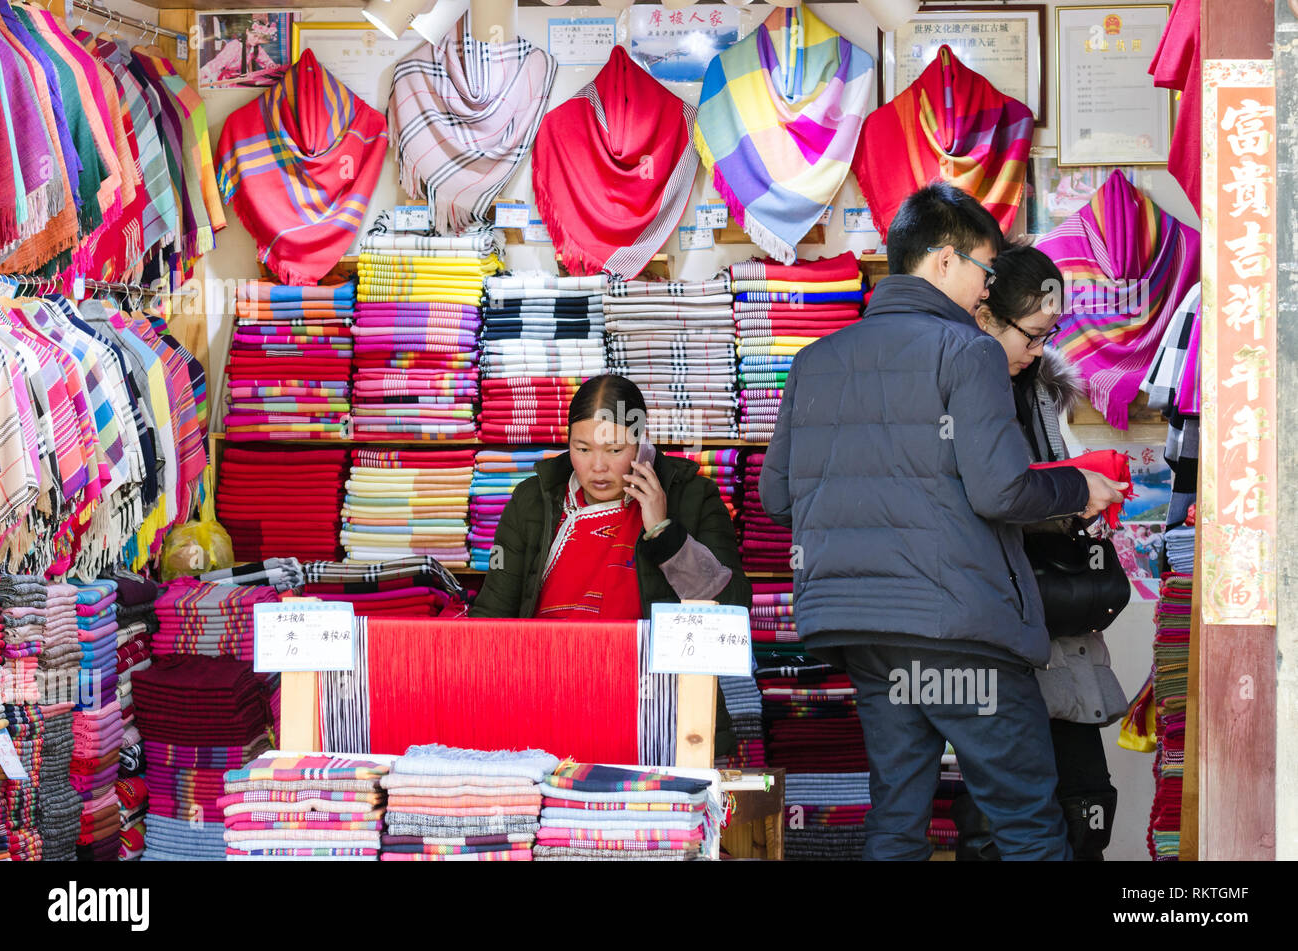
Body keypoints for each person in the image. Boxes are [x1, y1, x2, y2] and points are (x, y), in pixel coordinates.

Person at [759, 182, 1128, 861]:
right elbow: (999, 490)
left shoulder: (815, 363)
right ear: (944, 260)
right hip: (961, 628)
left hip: (862, 630)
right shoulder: (968, 353)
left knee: (897, 819)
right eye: (986, 271)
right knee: (1025, 820)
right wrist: (1079, 488)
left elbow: (777, 498)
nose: (988, 290)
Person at [948, 242, 1128, 861]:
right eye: (1031, 335)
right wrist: (1069, 492)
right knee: (1002, 809)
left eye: (1047, 336)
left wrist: (1080, 494)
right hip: (994, 623)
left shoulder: (1039, 391)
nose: (1038, 350)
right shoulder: (954, 390)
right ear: (984, 316)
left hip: (1054, 621)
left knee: (1080, 803)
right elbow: (989, 499)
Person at [470, 374, 751, 619]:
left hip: (649, 675)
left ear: (641, 443)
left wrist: (663, 533)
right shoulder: (532, 500)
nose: (598, 467)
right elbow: (493, 613)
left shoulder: (693, 497)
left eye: (614, 450)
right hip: (545, 668)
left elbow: (733, 608)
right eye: (582, 449)